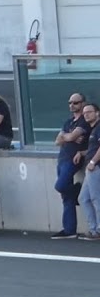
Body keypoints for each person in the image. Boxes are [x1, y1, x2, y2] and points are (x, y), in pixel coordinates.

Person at [51, 93, 90, 239]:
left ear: (82, 103)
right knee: (65, 197)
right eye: (70, 103)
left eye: (76, 102)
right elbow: (57, 141)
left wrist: (67, 137)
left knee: (61, 186)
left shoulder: (83, 121)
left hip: (72, 159)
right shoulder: (68, 122)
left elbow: (71, 137)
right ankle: (69, 229)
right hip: (62, 158)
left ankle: (77, 190)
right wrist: (68, 137)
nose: (72, 105)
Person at [76, 103, 100, 240]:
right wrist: (82, 153)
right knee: (83, 198)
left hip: (95, 167)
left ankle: (98, 230)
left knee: (97, 198)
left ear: (97, 113)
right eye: (84, 113)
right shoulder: (93, 129)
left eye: (89, 112)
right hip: (90, 167)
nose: (86, 115)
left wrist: (92, 162)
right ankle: (93, 229)